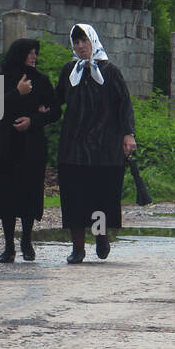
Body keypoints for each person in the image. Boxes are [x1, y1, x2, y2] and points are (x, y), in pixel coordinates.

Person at [54, 24, 136, 262]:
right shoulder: (70, 71)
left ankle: (101, 235)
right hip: (74, 146)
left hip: (105, 146)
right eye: (76, 42)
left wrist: (128, 134)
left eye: (84, 41)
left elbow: (124, 105)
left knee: (101, 196)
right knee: (74, 196)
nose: (80, 46)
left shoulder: (110, 71)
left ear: (93, 41)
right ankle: (77, 248)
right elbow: (56, 100)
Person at [0, 38, 57, 260]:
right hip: (6, 146)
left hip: (31, 146)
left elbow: (54, 112)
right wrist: (17, 92)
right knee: (6, 195)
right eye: (29, 53)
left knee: (28, 194)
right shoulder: (0, 79)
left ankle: (27, 240)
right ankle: (8, 246)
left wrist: (33, 121)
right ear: (19, 55)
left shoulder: (41, 81)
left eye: (36, 52)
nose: (34, 57)